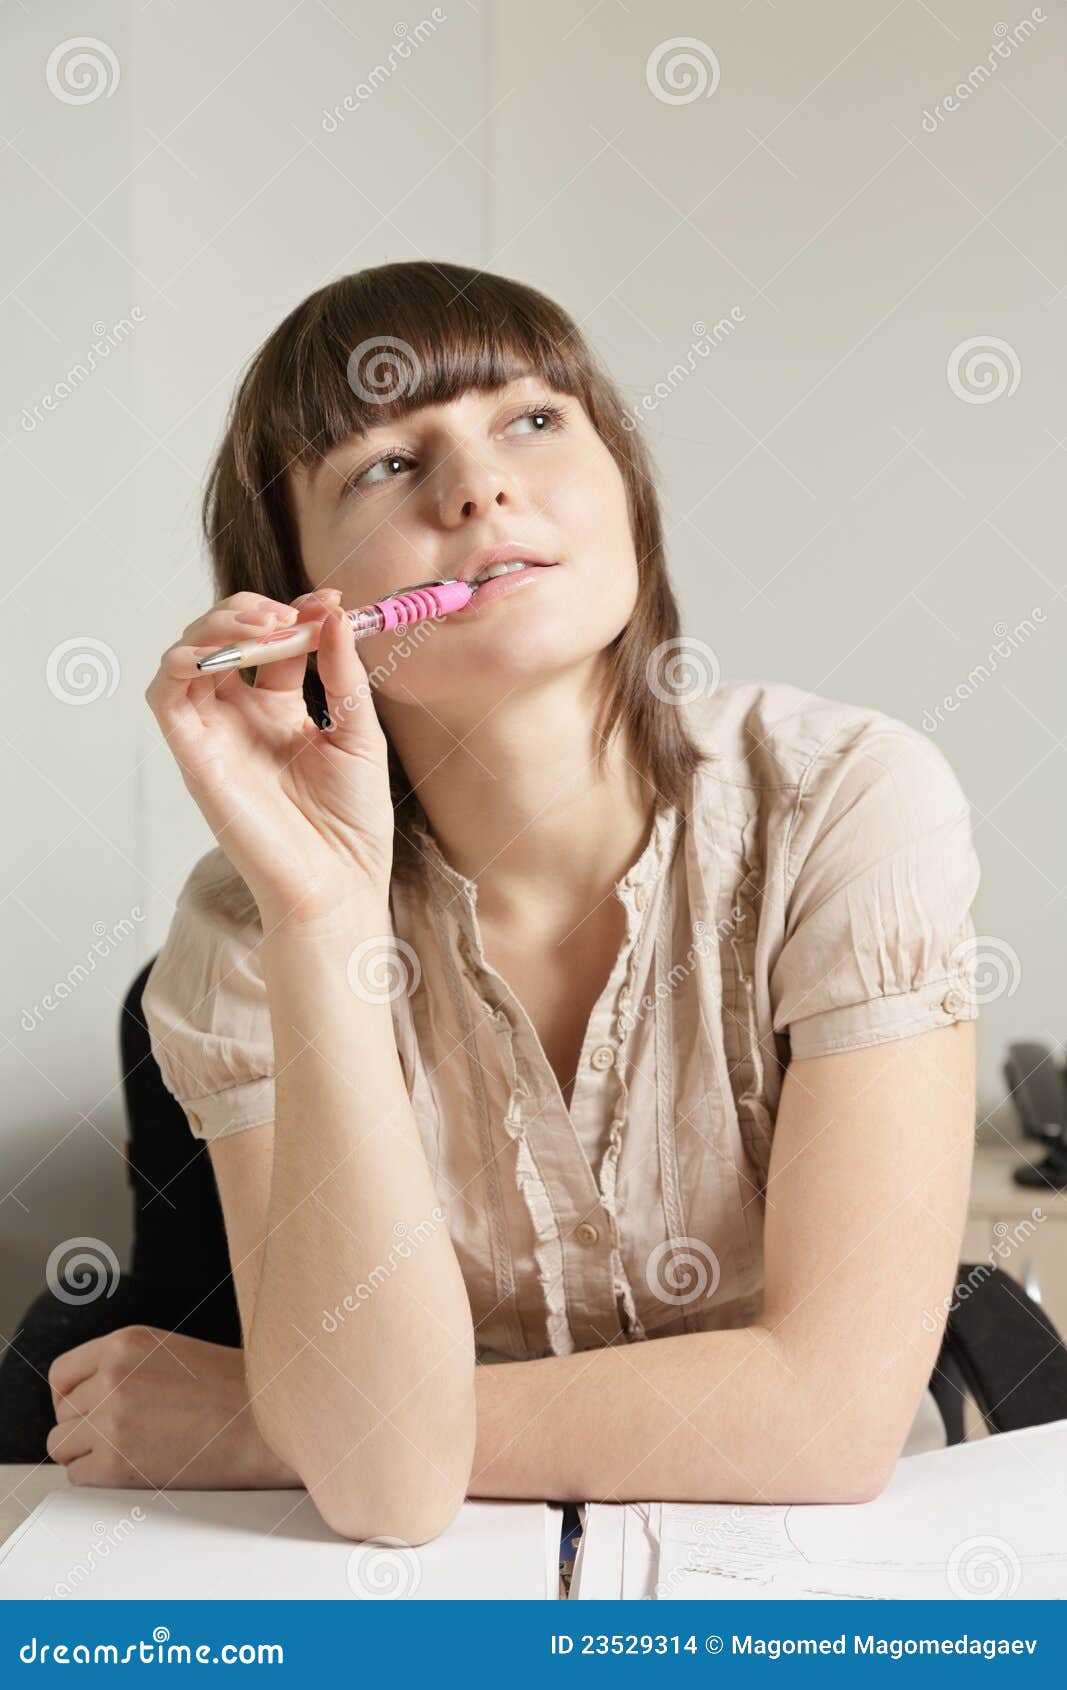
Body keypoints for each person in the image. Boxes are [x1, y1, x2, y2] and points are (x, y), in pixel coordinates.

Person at [46, 261, 980, 1543]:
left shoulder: (846, 803)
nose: (477, 487)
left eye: (532, 419)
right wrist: (324, 917)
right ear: (300, 605)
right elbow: (381, 1489)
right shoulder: (247, 930)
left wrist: (272, 1422)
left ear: (625, 487)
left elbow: (825, 1417)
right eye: (382, 466)